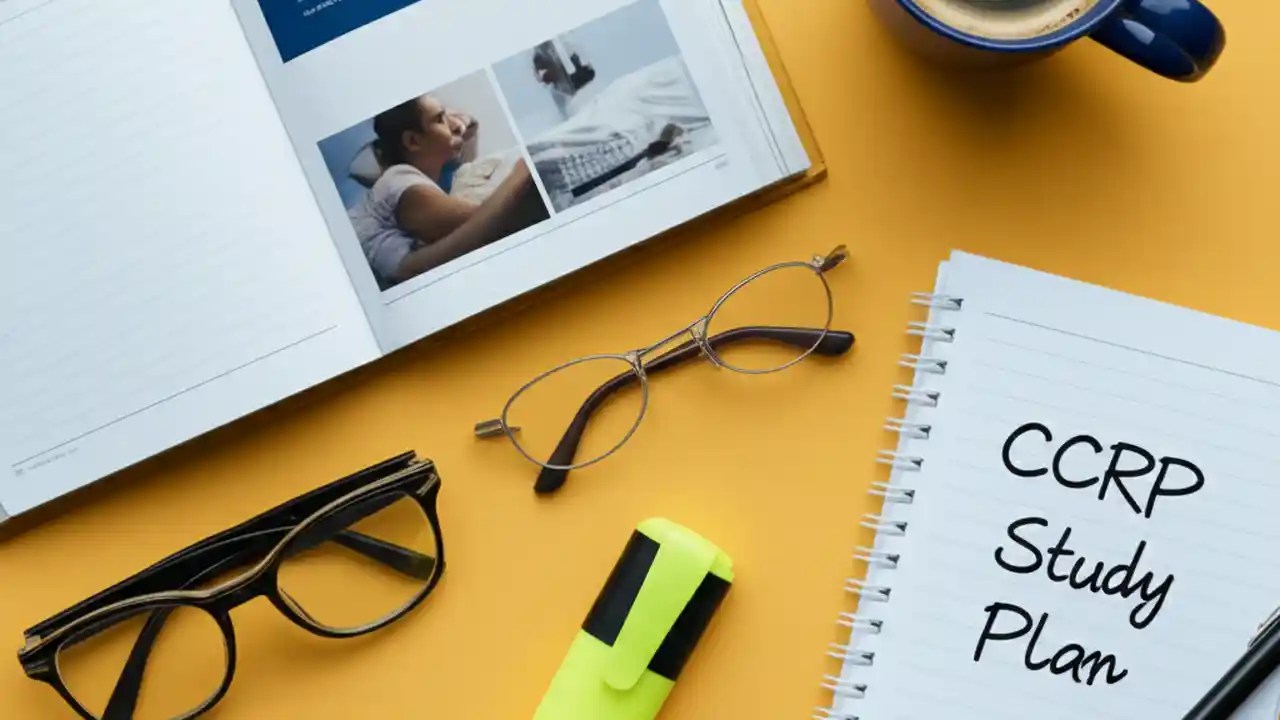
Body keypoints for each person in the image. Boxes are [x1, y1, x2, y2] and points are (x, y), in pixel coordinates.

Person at [349, 95, 546, 289]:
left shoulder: (431, 180)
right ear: (413, 141)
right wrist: (522, 172)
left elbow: (470, 126)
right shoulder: (397, 180)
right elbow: (492, 222)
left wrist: (453, 125)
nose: (453, 125)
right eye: (439, 118)